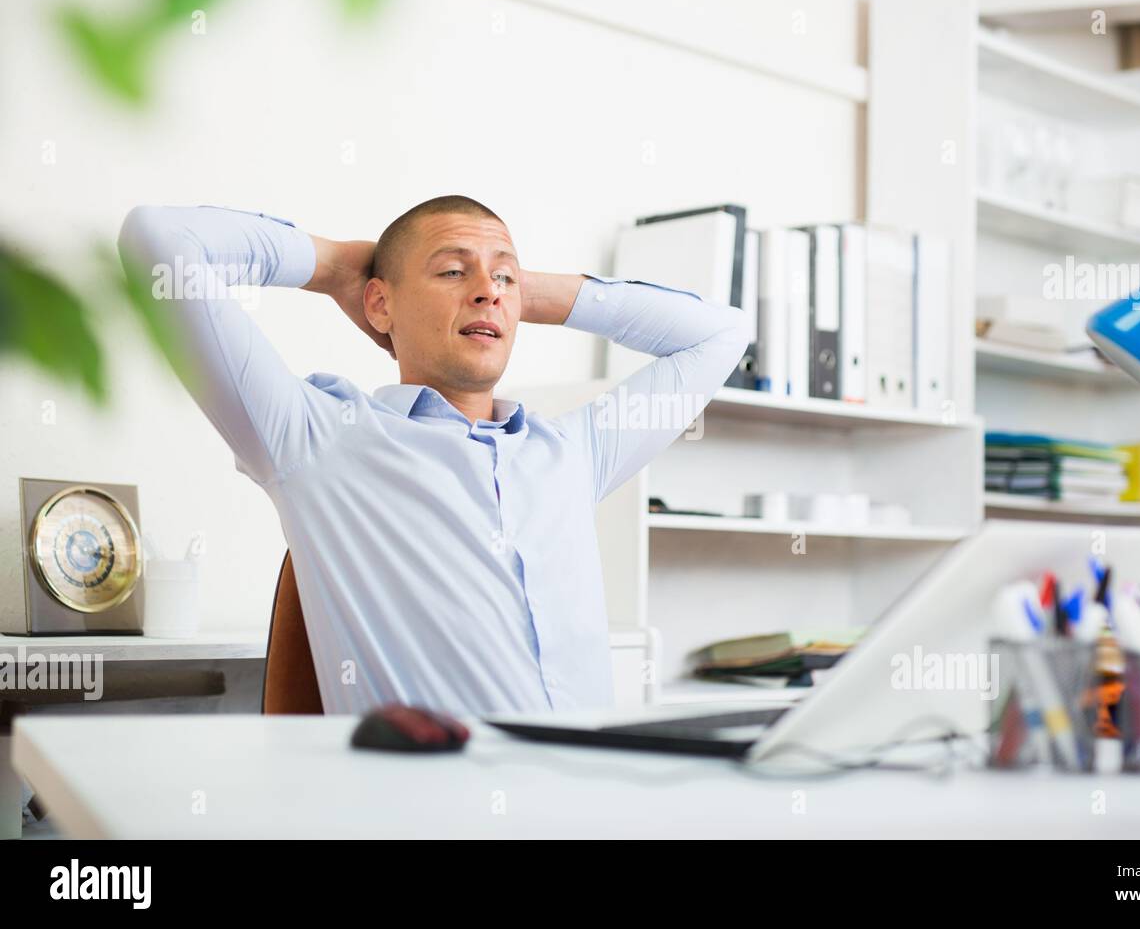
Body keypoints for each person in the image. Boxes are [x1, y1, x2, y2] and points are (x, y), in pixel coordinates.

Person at [117, 198, 747, 715]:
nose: (487, 294)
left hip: (594, 808)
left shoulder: (573, 452)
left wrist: (524, 291)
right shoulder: (316, 438)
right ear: (380, 304)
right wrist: (338, 266)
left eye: (504, 278)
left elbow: (721, 334)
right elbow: (157, 240)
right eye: (452, 272)